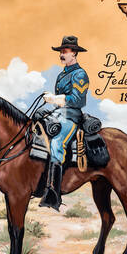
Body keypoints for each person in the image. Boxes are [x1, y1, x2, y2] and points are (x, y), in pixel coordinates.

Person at [37, 36, 90, 211]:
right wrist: (50, 101)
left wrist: (55, 98)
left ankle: (53, 193)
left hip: (71, 116)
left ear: (74, 53)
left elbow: (77, 100)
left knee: (58, 140)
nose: (62, 54)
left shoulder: (79, 74)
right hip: (58, 113)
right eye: (61, 51)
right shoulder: (62, 74)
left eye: (65, 51)